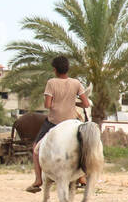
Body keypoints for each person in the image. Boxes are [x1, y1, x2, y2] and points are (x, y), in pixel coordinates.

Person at [26, 55, 90, 192]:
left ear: (55, 69)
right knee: (83, 146)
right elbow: (86, 104)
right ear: (68, 69)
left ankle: (38, 180)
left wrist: (57, 101)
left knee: (36, 148)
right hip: (72, 121)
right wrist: (73, 102)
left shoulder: (51, 83)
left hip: (54, 122)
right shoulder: (76, 83)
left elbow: (47, 104)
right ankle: (82, 177)